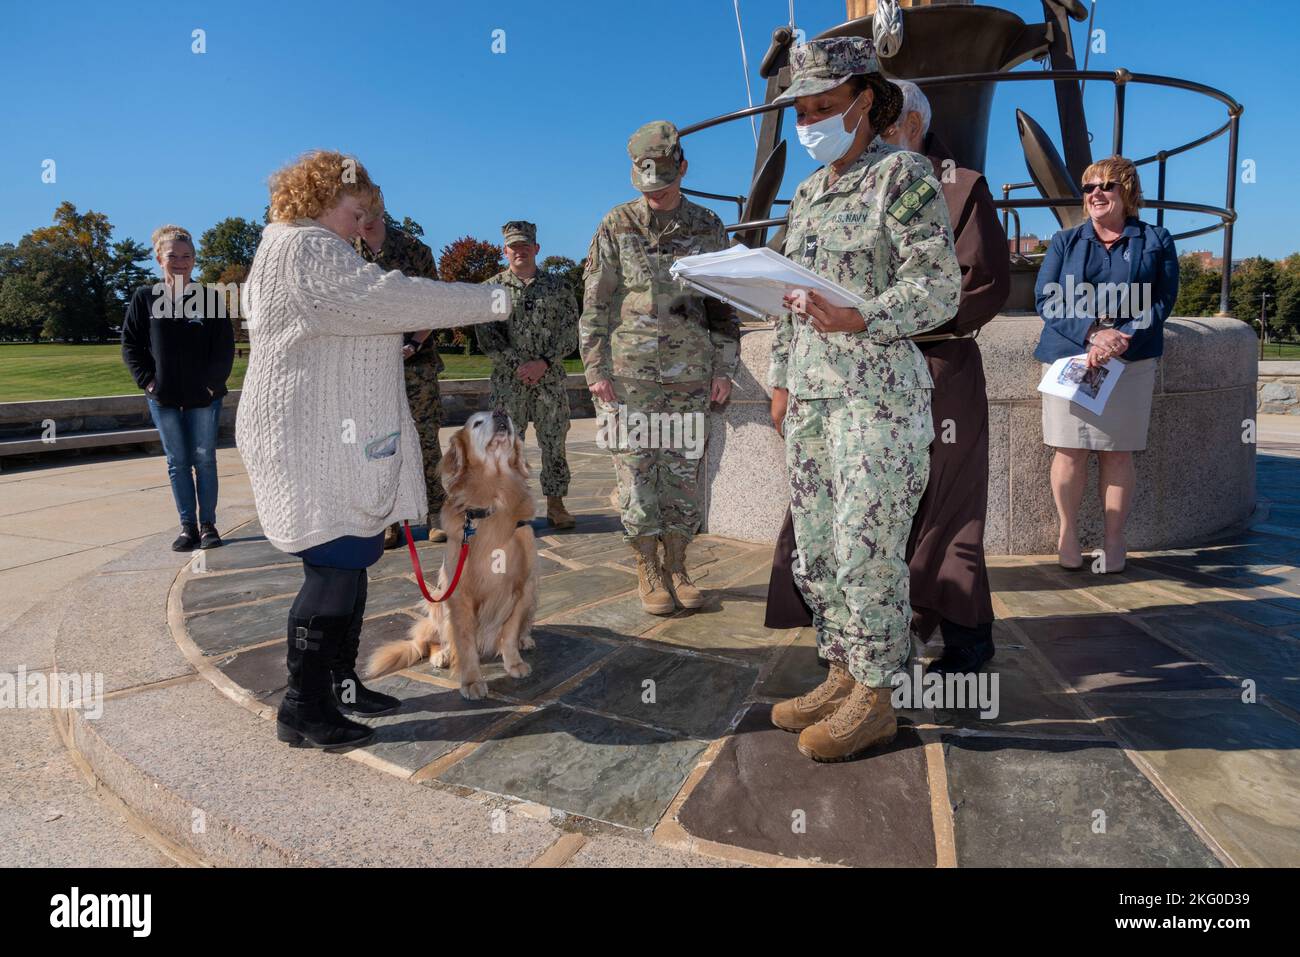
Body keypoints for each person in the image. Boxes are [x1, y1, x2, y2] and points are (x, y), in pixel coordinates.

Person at [236, 150, 502, 750]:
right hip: (315, 443)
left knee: (349, 561)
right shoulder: (303, 247)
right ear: (324, 198)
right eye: (358, 213)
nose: (364, 227)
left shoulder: (303, 248)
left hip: (326, 437)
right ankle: (304, 707)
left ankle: (339, 686)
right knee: (333, 568)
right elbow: (392, 299)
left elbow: (355, 321)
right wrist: (495, 297)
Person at [765, 38, 961, 762]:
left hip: (876, 399)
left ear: (864, 102)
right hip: (814, 398)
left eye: (823, 106)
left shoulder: (903, 176)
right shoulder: (808, 193)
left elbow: (938, 286)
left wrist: (864, 315)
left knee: (864, 552)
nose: (811, 120)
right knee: (815, 554)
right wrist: (782, 378)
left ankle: (877, 697)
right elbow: (788, 298)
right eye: (803, 110)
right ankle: (843, 671)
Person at [580, 120, 739, 614]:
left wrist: (724, 368)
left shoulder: (708, 226)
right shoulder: (616, 224)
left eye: (666, 187)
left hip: (690, 376)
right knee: (635, 476)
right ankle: (647, 567)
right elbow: (596, 303)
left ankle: (678, 563)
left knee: (682, 477)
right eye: (647, 188)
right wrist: (594, 369)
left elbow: (723, 304)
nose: (656, 196)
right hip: (628, 378)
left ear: (683, 170)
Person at [1034, 155, 1179, 574]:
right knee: (1069, 450)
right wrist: (1092, 334)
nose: (1095, 193)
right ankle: (1068, 533)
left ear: (1127, 191)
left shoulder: (1156, 239)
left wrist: (1122, 335)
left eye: (1106, 186)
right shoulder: (1065, 241)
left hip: (1129, 360)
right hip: (1070, 357)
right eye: (1088, 187)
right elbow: (1045, 298)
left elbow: (1162, 300)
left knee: (1118, 455)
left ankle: (1114, 544)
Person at [122, 225, 234, 552]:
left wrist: (213, 386)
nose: (180, 262)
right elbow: (131, 345)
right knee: (177, 462)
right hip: (164, 398)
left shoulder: (208, 298)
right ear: (159, 258)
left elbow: (223, 347)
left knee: (204, 460)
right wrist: (148, 380)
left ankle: (208, 525)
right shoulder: (146, 298)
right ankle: (188, 527)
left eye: (187, 256)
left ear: (194, 260)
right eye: (173, 256)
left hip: (204, 399)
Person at [354, 203, 450, 546]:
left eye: (369, 214)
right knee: (382, 444)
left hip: (416, 363)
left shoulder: (413, 249)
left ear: (380, 212)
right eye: (357, 215)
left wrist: (413, 343)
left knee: (425, 439)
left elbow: (433, 303)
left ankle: (438, 513)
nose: (363, 223)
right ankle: (391, 519)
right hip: (370, 367)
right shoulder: (346, 251)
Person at [477, 221, 581, 528]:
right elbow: (487, 337)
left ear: (536, 249)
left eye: (525, 246)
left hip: (549, 380)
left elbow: (570, 332)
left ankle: (556, 504)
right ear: (504, 250)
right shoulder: (491, 289)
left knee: (554, 442)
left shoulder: (559, 287)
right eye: (513, 247)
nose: (519, 251)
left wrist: (544, 363)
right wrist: (519, 366)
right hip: (509, 384)